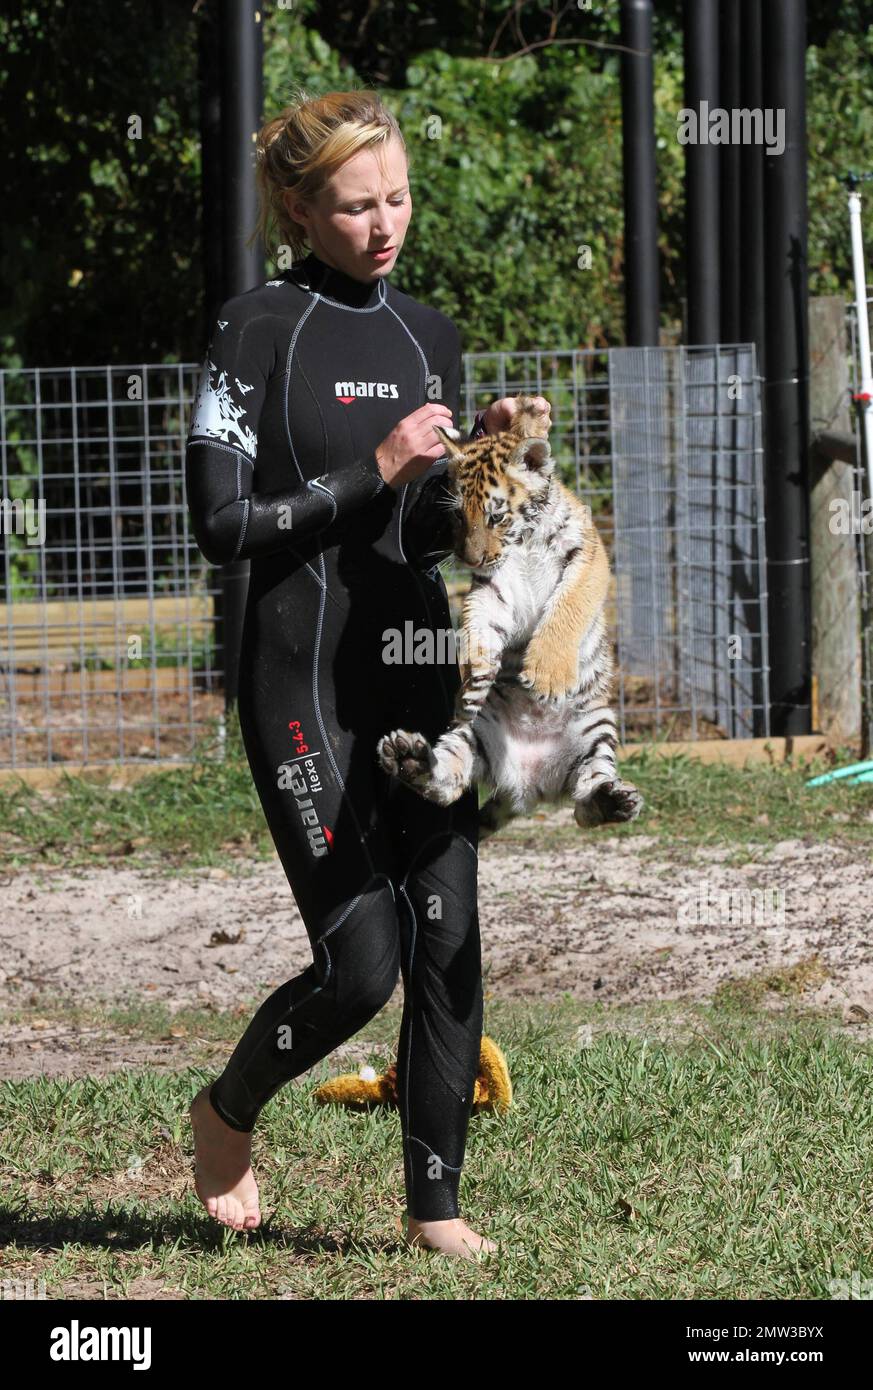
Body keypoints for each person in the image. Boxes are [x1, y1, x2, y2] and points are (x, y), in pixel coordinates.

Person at [185, 88, 550, 1260]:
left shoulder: (427, 335)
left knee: (447, 936)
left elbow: (424, 528)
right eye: (354, 206)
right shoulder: (253, 329)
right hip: (299, 688)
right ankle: (226, 1111)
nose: (383, 222)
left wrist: (481, 455)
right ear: (300, 207)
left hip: (414, 674)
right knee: (361, 966)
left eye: (396, 196)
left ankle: (435, 1208)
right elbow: (222, 523)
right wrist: (376, 469)